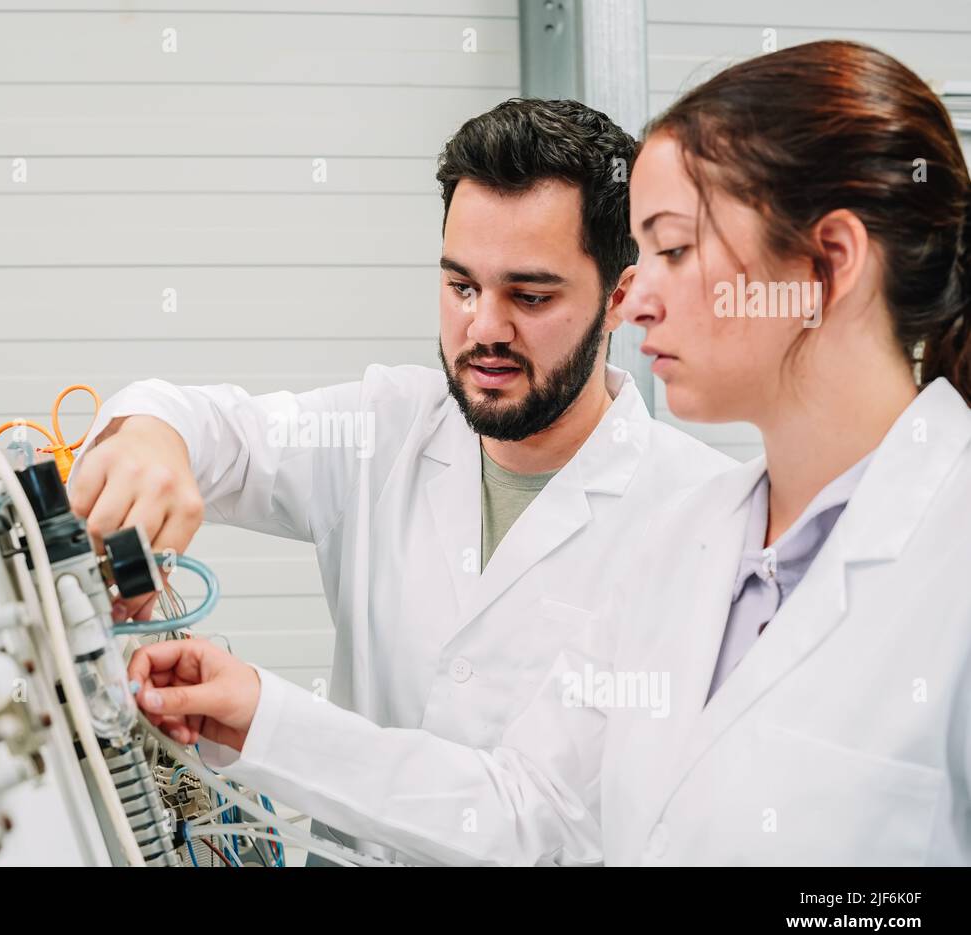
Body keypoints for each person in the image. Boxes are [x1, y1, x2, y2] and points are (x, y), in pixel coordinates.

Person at [126, 40, 971, 865]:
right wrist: (260, 714)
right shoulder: (700, 539)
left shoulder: (937, 558)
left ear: (827, 266)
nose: (643, 298)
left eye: (675, 250)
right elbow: (535, 811)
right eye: (461, 285)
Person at [67, 99, 732, 861]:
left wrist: (266, 721)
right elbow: (219, 430)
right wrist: (152, 436)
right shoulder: (386, 428)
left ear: (619, 295)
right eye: (461, 286)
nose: (484, 328)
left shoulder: (698, 519)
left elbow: (539, 822)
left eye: (532, 296)